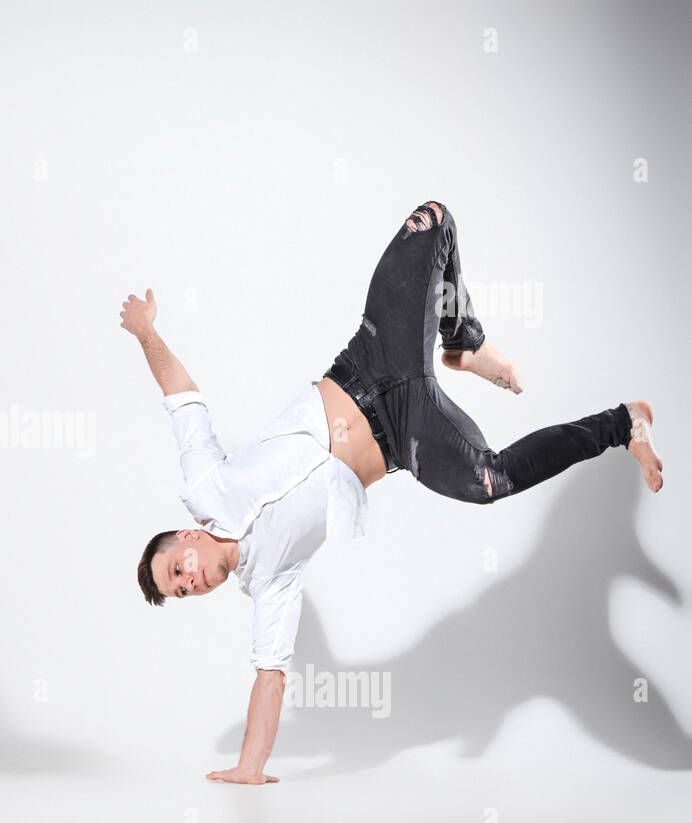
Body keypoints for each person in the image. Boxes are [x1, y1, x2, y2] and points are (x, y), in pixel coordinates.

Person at [121, 200, 662, 786]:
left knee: (433, 219)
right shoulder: (270, 584)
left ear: (186, 536)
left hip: (370, 361)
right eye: (181, 589)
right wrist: (250, 768)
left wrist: (147, 332)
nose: (189, 581)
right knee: (490, 481)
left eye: (178, 568)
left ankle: (463, 340)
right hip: (407, 437)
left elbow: (183, 399)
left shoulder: (205, 485)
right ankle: (622, 425)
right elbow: (269, 677)